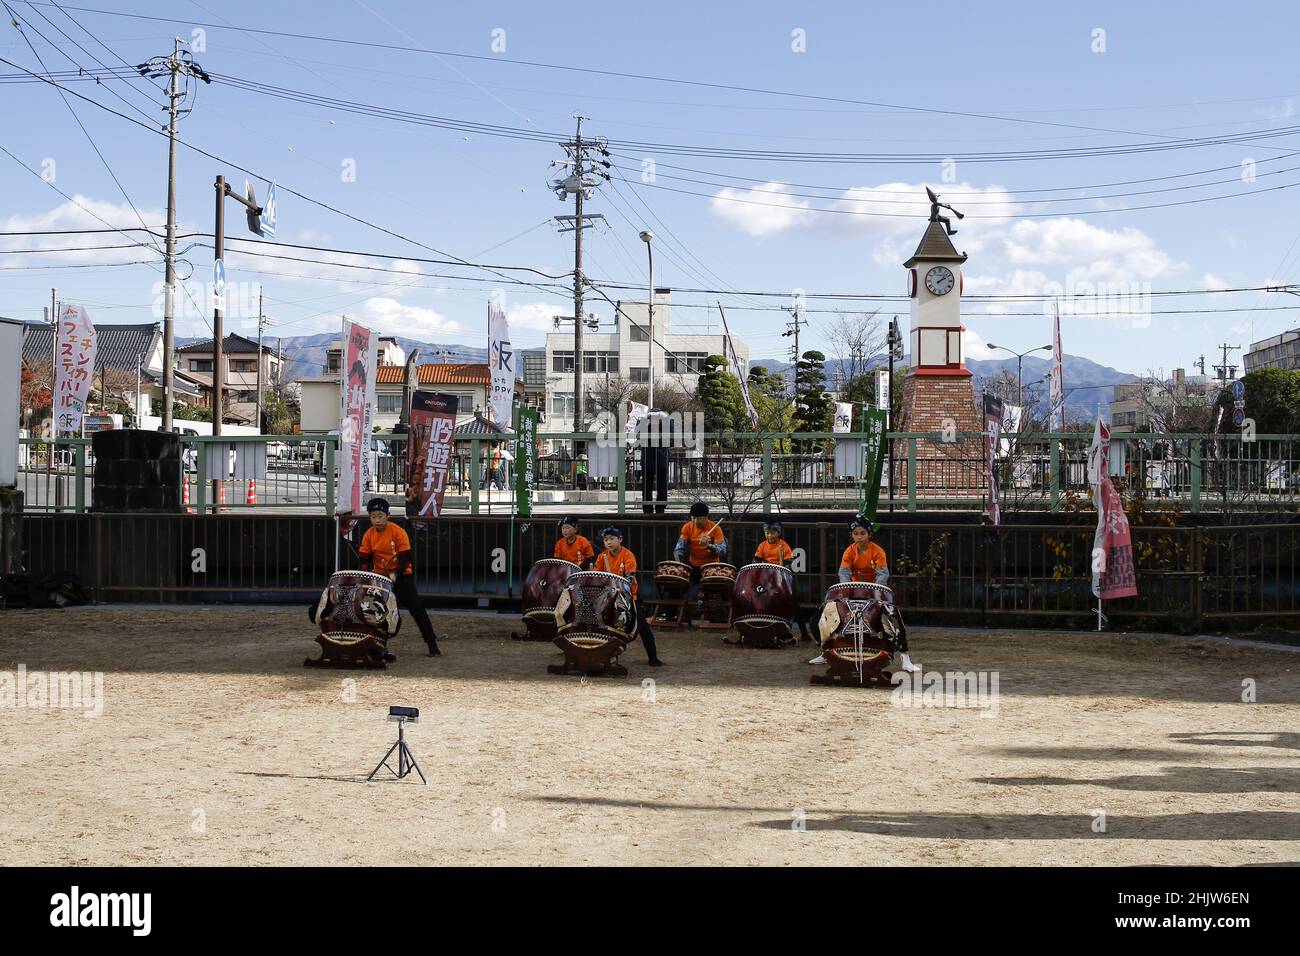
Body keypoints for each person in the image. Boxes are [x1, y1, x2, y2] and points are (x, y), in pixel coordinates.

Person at [810, 514, 917, 671]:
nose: (859, 537)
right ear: (851, 535)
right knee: (821, 615)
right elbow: (844, 573)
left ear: (870, 534)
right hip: (852, 592)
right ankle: (825, 650)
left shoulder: (877, 551)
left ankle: (905, 657)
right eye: (856, 534)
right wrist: (847, 589)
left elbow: (883, 575)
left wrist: (872, 591)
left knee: (894, 617)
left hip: (876, 594)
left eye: (863, 533)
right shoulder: (849, 552)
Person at [358, 497, 441, 657]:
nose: (377, 520)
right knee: (374, 610)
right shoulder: (368, 535)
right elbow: (364, 560)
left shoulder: (397, 532)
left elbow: (406, 558)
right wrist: (365, 580)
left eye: (380, 516)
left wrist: (395, 573)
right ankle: (376, 645)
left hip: (402, 575)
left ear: (388, 515)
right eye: (373, 516)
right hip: (380, 578)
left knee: (416, 608)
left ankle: (432, 643)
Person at [594, 525, 664, 667]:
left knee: (642, 627)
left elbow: (630, 577)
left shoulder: (627, 555)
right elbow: (597, 575)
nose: (608, 542)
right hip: (608, 597)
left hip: (628, 595)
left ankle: (653, 657)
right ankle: (608, 656)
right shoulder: (602, 557)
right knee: (607, 626)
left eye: (612, 539)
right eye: (606, 539)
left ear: (620, 539)